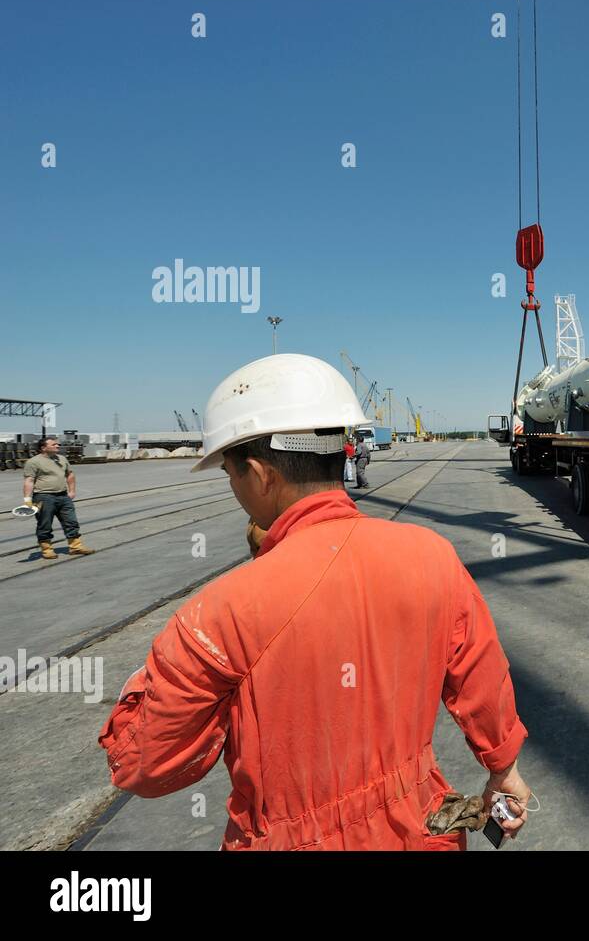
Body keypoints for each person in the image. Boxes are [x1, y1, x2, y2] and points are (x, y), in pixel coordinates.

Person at [99, 354, 530, 850]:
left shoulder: (217, 614)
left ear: (260, 474)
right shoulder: (432, 554)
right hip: (418, 828)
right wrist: (504, 768)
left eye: (230, 475)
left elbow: (146, 767)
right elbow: (481, 676)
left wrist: (147, 680)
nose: (234, 489)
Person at [21, 436, 94, 559]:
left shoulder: (62, 459)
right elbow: (29, 480)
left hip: (63, 496)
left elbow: (70, 474)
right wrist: (27, 500)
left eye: (57, 444)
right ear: (43, 447)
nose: (57, 446)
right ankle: (47, 549)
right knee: (45, 524)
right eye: (54, 444)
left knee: (71, 522)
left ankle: (75, 547)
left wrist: (72, 491)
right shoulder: (33, 462)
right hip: (43, 497)